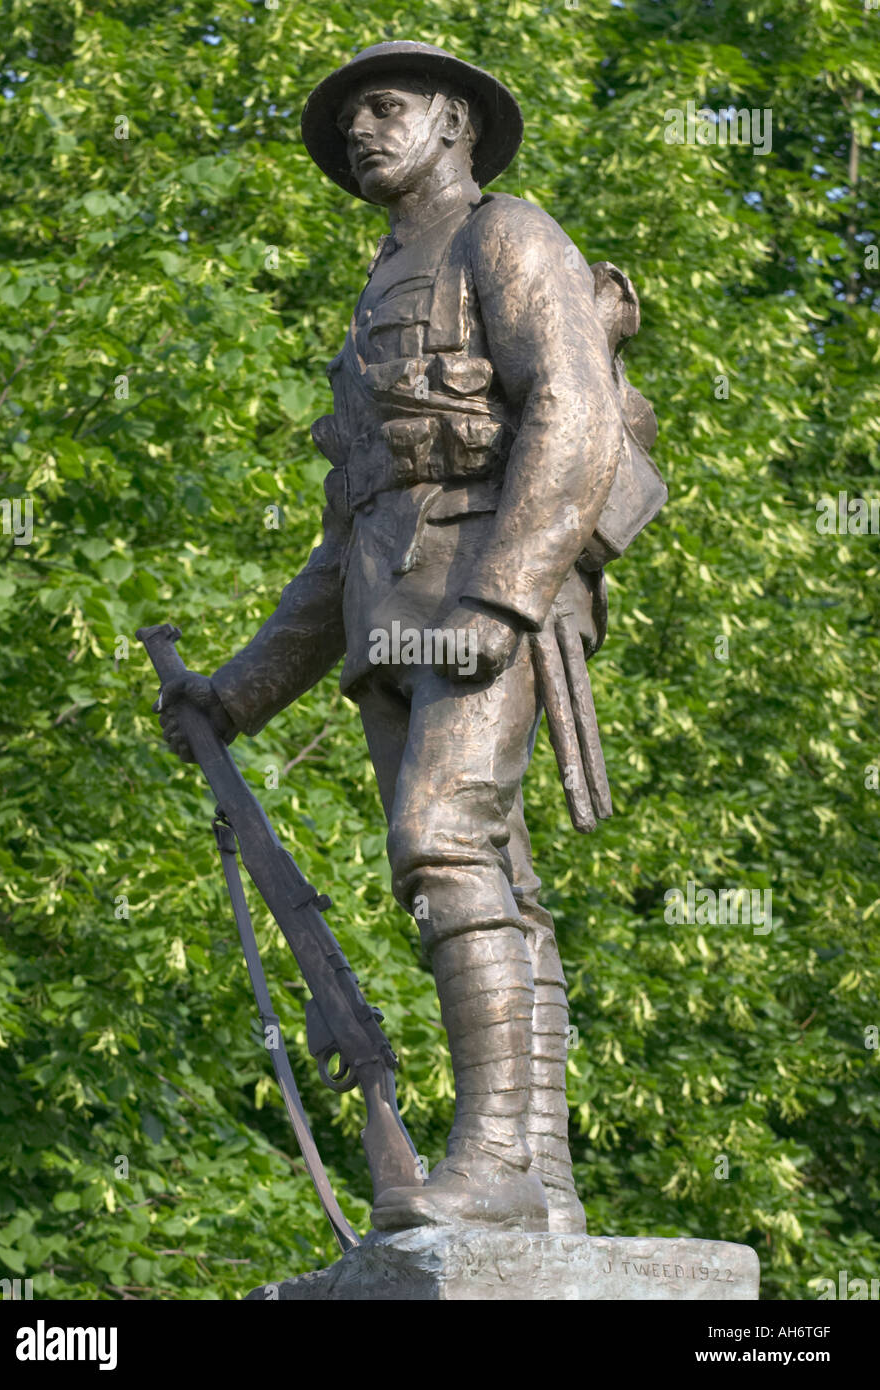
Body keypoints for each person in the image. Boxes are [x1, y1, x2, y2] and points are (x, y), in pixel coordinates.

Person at [156, 41, 662, 1234]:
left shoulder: (510, 236)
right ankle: (538, 1183)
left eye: (385, 108)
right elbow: (348, 533)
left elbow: (574, 414)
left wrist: (503, 596)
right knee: (488, 878)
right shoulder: (371, 306)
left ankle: (486, 1158)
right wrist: (238, 695)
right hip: (394, 612)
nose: (360, 132)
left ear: (453, 123)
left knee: (438, 838)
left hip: (482, 587)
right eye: (347, 122)